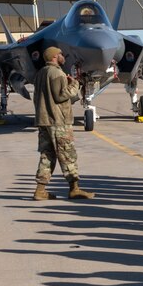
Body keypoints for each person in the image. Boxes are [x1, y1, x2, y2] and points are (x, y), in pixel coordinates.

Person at [31, 47, 94, 201]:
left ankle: (40, 190)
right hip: (58, 121)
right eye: (59, 54)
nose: (62, 56)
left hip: (44, 120)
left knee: (47, 155)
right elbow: (61, 96)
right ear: (54, 57)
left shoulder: (40, 74)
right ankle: (74, 189)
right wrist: (75, 85)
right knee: (68, 155)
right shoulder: (57, 73)